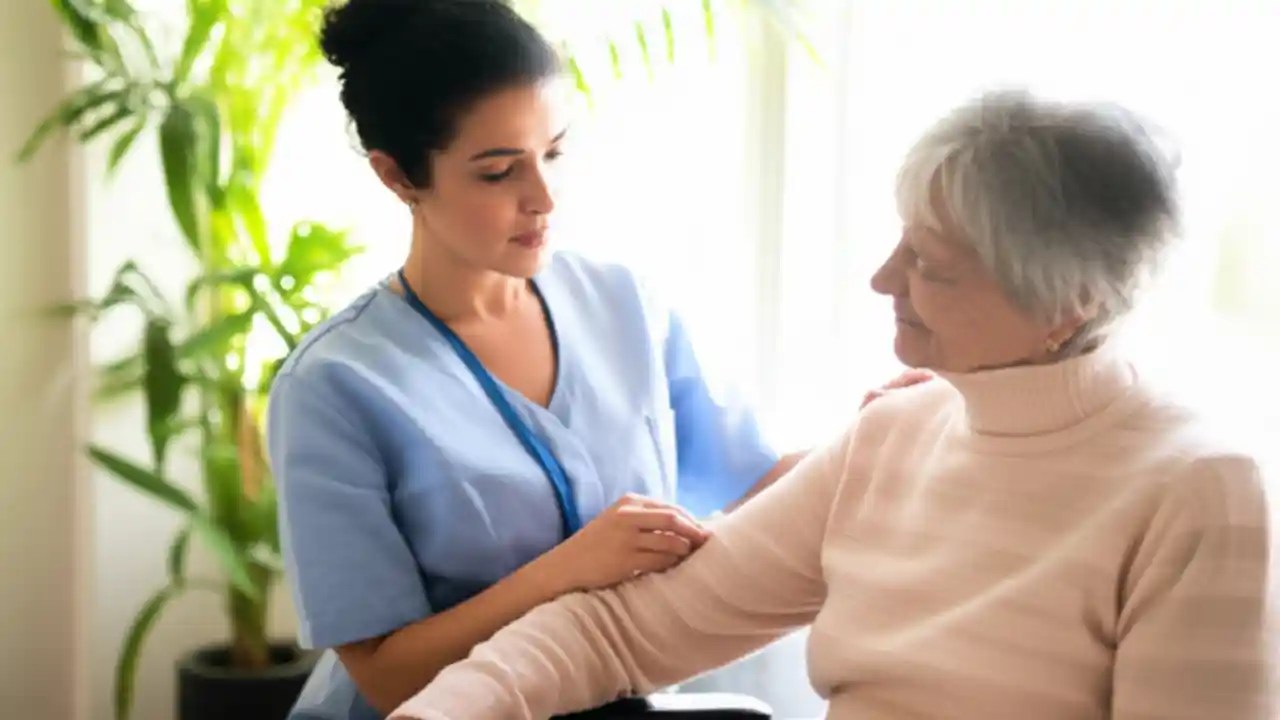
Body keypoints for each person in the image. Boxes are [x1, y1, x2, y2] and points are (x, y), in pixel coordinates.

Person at [390, 90, 1277, 720]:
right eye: (902, 243)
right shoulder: (892, 436)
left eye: (933, 265)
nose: (885, 279)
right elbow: (622, 632)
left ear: (1066, 304)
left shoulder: (1198, 489)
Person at [265, 1, 923, 718]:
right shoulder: (333, 386)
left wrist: (883, 435)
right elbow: (387, 678)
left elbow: (758, 482)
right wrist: (570, 570)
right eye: (498, 172)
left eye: (552, 153)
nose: (543, 198)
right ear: (398, 177)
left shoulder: (622, 304)